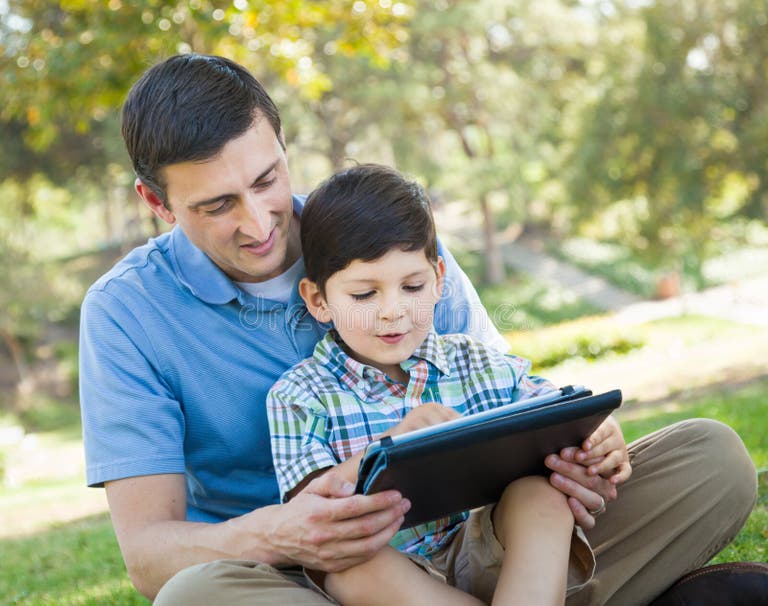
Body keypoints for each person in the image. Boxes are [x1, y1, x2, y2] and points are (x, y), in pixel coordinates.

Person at [78, 53, 757, 606]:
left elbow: (505, 408)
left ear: (284, 147)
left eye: (267, 179)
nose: (258, 223)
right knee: (193, 597)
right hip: (316, 579)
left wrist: (575, 451)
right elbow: (148, 556)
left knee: (712, 460)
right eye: (218, 204)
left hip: (486, 540)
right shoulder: (125, 314)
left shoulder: (390, 240)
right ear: (155, 202)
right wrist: (289, 533)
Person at [267, 163, 632, 605]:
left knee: (538, 494)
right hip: (393, 580)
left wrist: (597, 438)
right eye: (365, 295)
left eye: (412, 285)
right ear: (319, 301)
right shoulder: (299, 394)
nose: (392, 311)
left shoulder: (476, 361)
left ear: (439, 280)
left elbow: (552, 410)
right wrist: (391, 445)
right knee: (342, 565)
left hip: (492, 554)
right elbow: (310, 510)